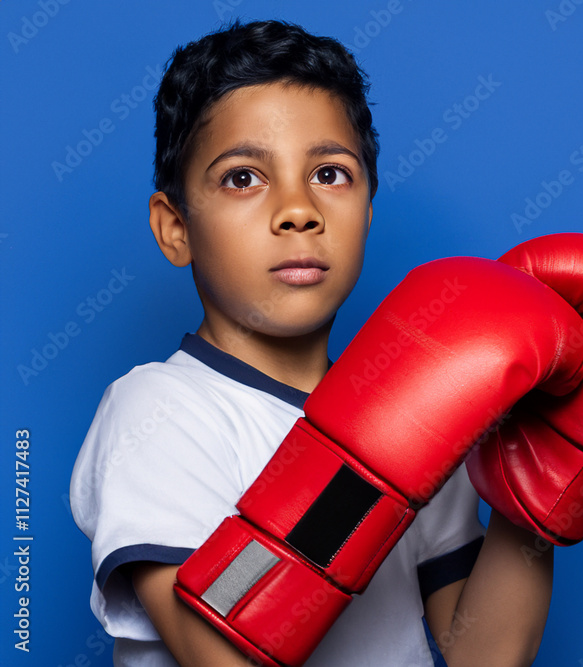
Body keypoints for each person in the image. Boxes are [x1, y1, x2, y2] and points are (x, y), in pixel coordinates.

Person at [70, 19, 553, 666]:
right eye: (243, 177)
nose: (299, 209)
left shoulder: (418, 405)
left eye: (330, 173)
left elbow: (485, 658)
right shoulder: (157, 412)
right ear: (175, 227)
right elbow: (223, 652)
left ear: (369, 209)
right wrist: (382, 460)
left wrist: (543, 480)